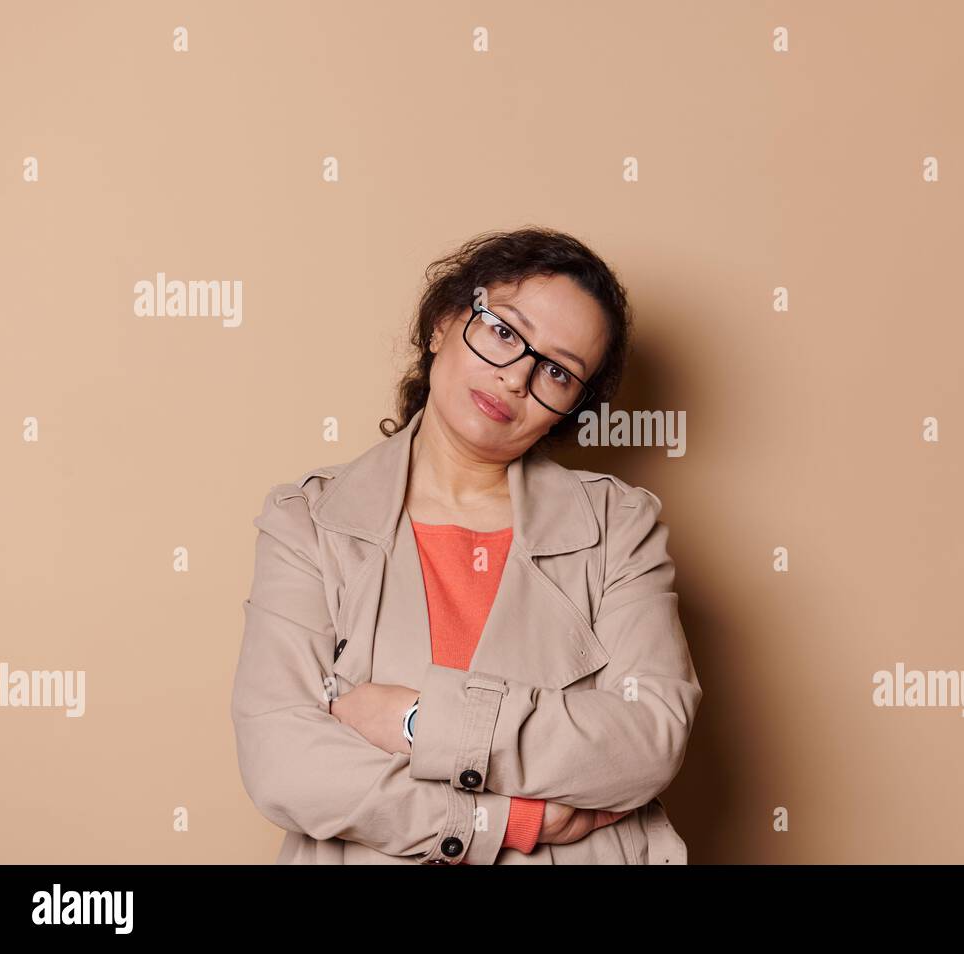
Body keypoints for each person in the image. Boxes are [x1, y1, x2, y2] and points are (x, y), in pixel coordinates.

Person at [231, 226, 703, 864]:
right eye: (504, 333)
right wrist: (505, 820)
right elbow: (284, 760)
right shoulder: (307, 521)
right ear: (443, 322)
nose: (516, 380)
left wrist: (420, 721)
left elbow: (648, 741)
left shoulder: (619, 525)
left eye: (558, 373)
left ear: (573, 407)